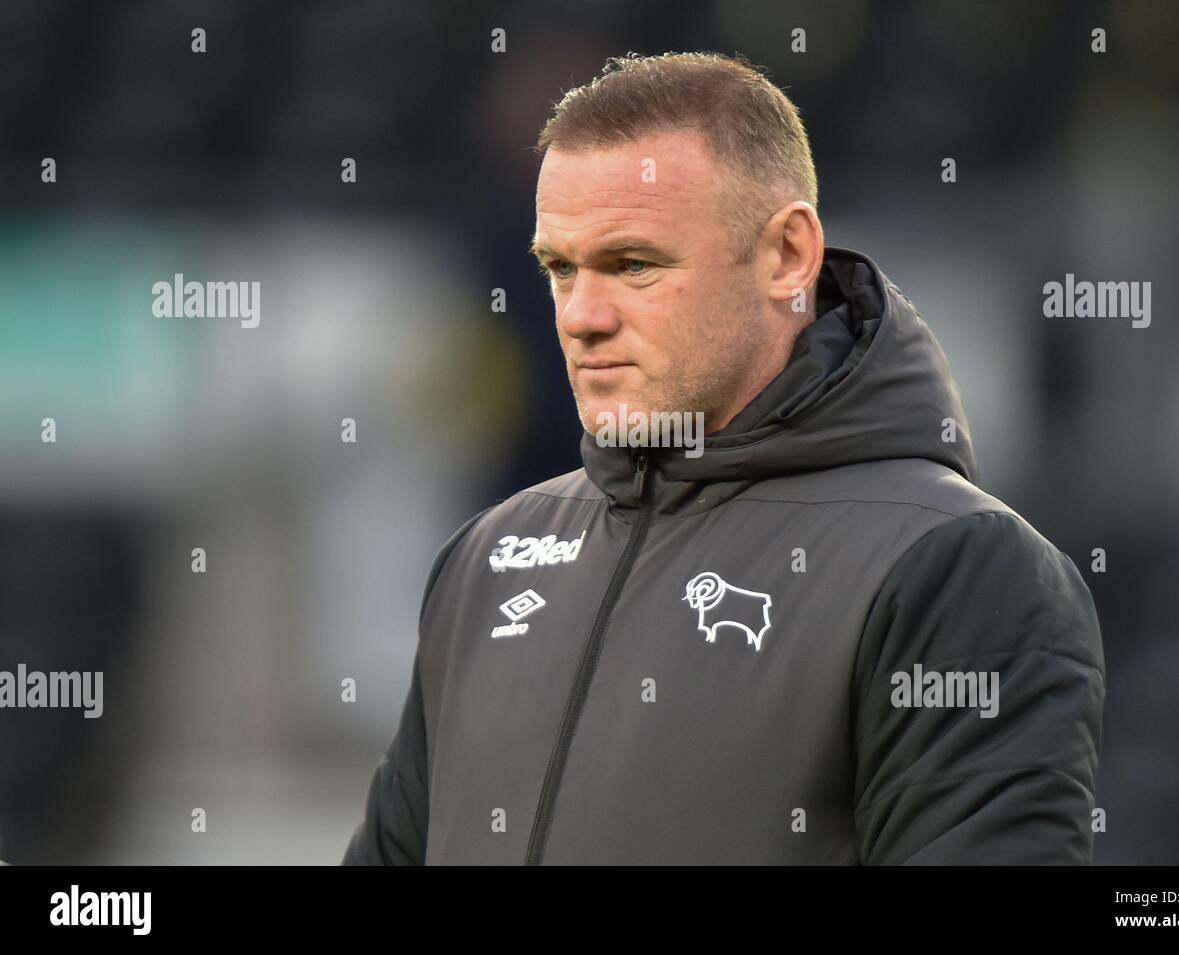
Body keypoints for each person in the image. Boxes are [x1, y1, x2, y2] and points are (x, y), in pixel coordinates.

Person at [342, 51, 1104, 865]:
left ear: (787, 257)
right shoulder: (487, 560)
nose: (582, 317)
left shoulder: (954, 566)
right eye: (560, 269)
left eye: (634, 264)